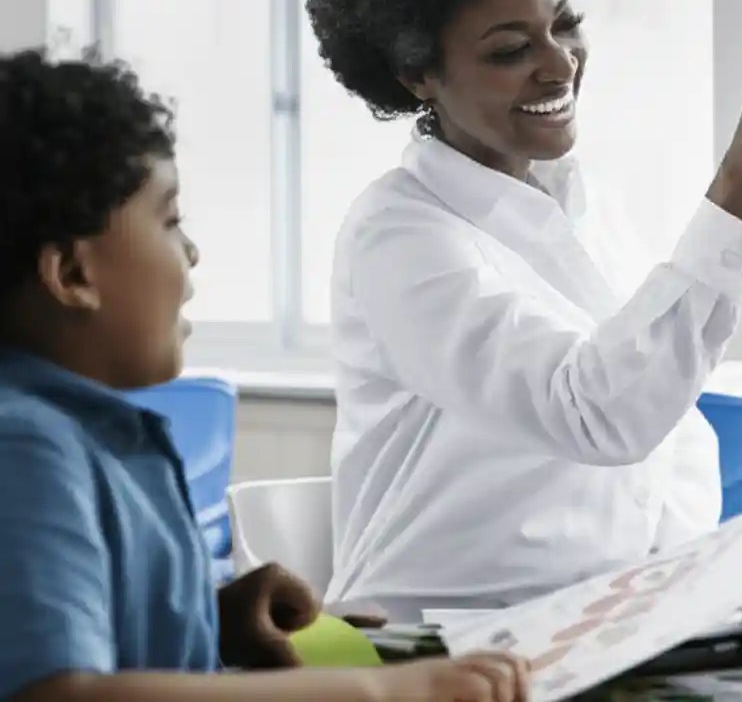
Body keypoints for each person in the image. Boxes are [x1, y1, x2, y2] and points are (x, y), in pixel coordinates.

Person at [0, 48, 527, 702]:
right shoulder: (27, 449)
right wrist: (380, 693)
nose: (191, 251)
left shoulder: (87, 435)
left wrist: (209, 620)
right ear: (74, 276)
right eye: (168, 220)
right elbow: (55, 694)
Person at [307, 0, 742, 615]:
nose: (561, 63)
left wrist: (683, 598)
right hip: (438, 636)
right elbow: (596, 412)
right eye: (512, 50)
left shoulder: (585, 203)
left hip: (593, 620)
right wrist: (738, 181)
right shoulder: (398, 236)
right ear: (417, 74)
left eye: (564, 23)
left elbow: (665, 424)